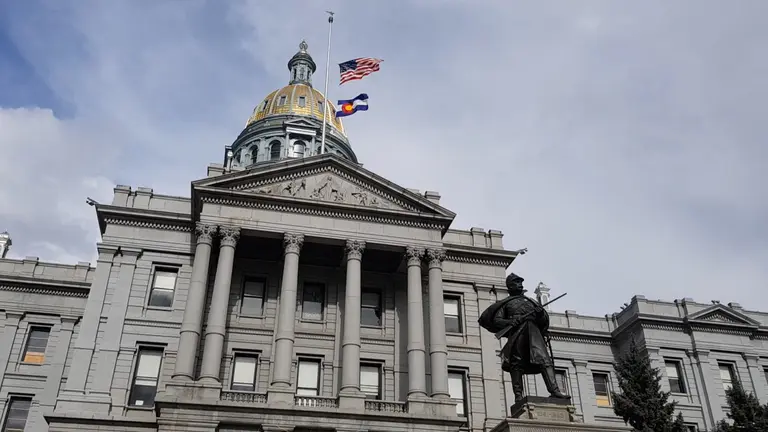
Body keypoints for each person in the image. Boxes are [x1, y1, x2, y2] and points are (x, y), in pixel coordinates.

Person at [492, 272, 569, 402]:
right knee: (516, 364)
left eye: (521, 283)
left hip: (533, 334)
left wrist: (539, 315)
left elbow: (544, 320)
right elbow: (497, 320)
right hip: (517, 335)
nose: (520, 285)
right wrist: (510, 322)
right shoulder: (506, 304)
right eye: (516, 283)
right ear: (510, 287)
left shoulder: (531, 302)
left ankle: (554, 391)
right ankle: (518, 395)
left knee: (545, 361)